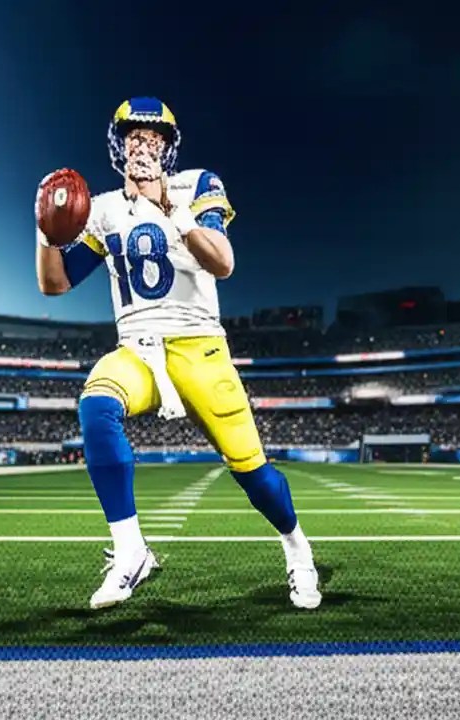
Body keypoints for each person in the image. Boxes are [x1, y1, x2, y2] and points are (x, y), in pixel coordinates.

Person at [35, 96, 320, 610]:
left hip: (200, 347)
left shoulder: (198, 185)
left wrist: (176, 213)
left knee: (253, 474)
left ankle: (298, 550)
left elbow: (224, 263)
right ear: (117, 146)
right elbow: (54, 285)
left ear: (169, 147)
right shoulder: (101, 210)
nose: (143, 145)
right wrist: (46, 232)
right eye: (133, 137)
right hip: (138, 349)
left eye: (154, 138)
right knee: (96, 405)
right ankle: (130, 553)